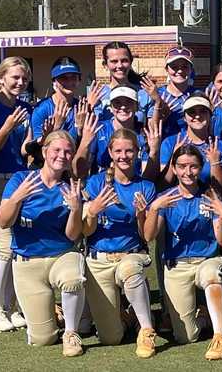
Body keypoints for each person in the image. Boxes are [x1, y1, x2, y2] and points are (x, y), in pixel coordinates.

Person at [0, 131, 87, 355]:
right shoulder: (21, 179)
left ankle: (71, 333)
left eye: (68, 152)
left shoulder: (71, 188)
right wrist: (17, 197)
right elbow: (4, 221)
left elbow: (72, 236)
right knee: (42, 339)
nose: (62, 155)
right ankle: (54, 312)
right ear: (45, 152)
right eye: (57, 150)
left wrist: (76, 209)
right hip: (28, 261)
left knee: (72, 279)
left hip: (61, 255)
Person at [144, 145, 222, 360]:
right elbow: (149, 236)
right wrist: (154, 208)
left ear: (201, 168)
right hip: (177, 265)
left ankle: (220, 337)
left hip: (207, 260)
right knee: (185, 337)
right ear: (174, 168)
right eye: (182, 166)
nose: (188, 172)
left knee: (211, 276)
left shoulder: (210, 196)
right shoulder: (166, 198)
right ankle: (203, 317)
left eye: (193, 166)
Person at [82, 128, 159, 358]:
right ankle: (128, 316)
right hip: (99, 259)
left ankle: (146, 329)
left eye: (129, 151)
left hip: (131, 254)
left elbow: (147, 237)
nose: (123, 156)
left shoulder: (146, 187)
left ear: (137, 152)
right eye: (118, 151)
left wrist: (141, 215)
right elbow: (85, 231)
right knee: (111, 338)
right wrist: (93, 211)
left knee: (129, 268)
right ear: (110, 152)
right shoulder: (95, 183)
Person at [0, 56, 33, 332]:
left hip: (18, 181)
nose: (20, 82)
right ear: (1, 78)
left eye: (24, 78)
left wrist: (36, 140)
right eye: (15, 77)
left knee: (14, 247)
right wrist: (8, 127)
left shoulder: (26, 108)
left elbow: (25, 151)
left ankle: (11, 308)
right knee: (4, 248)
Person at [72, 86, 161, 180]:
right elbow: (78, 173)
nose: (123, 107)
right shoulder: (98, 129)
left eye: (129, 102)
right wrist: (85, 141)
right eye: (117, 103)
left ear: (137, 106)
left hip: (134, 186)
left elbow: (149, 178)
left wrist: (154, 152)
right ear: (111, 107)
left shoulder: (144, 133)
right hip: (101, 185)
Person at [160, 93, 222, 192]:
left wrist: (215, 164)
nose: (197, 116)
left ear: (210, 116)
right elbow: (163, 185)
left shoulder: (219, 145)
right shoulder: (171, 142)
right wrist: (174, 159)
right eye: (192, 112)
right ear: (184, 117)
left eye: (203, 111)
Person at [29, 57, 91, 148]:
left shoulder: (81, 108)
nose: (69, 81)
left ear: (79, 80)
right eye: (63, 78)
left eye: (74, 77)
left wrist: (80, 129)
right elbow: (36, 149)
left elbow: (88, 145)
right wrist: (56, 127)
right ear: (54, 81)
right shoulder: (42, 108)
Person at [95, 41, 161, 123]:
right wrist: (90, 107)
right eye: (114, 61)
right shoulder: (98, 95)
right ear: (105, 65)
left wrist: (157, 101)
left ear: (130, 62)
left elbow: (152, 127)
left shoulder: (145, 93)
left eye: (124, 60)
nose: (120, 65)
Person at [151, 46, 198, 137]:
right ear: (166, 69)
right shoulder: (157, 94)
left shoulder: (197, 95)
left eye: (185, 67)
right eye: (174, 67)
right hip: (163, 144)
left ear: (191, 69)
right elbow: (151, 130)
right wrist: (160, 115)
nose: (180, 71)